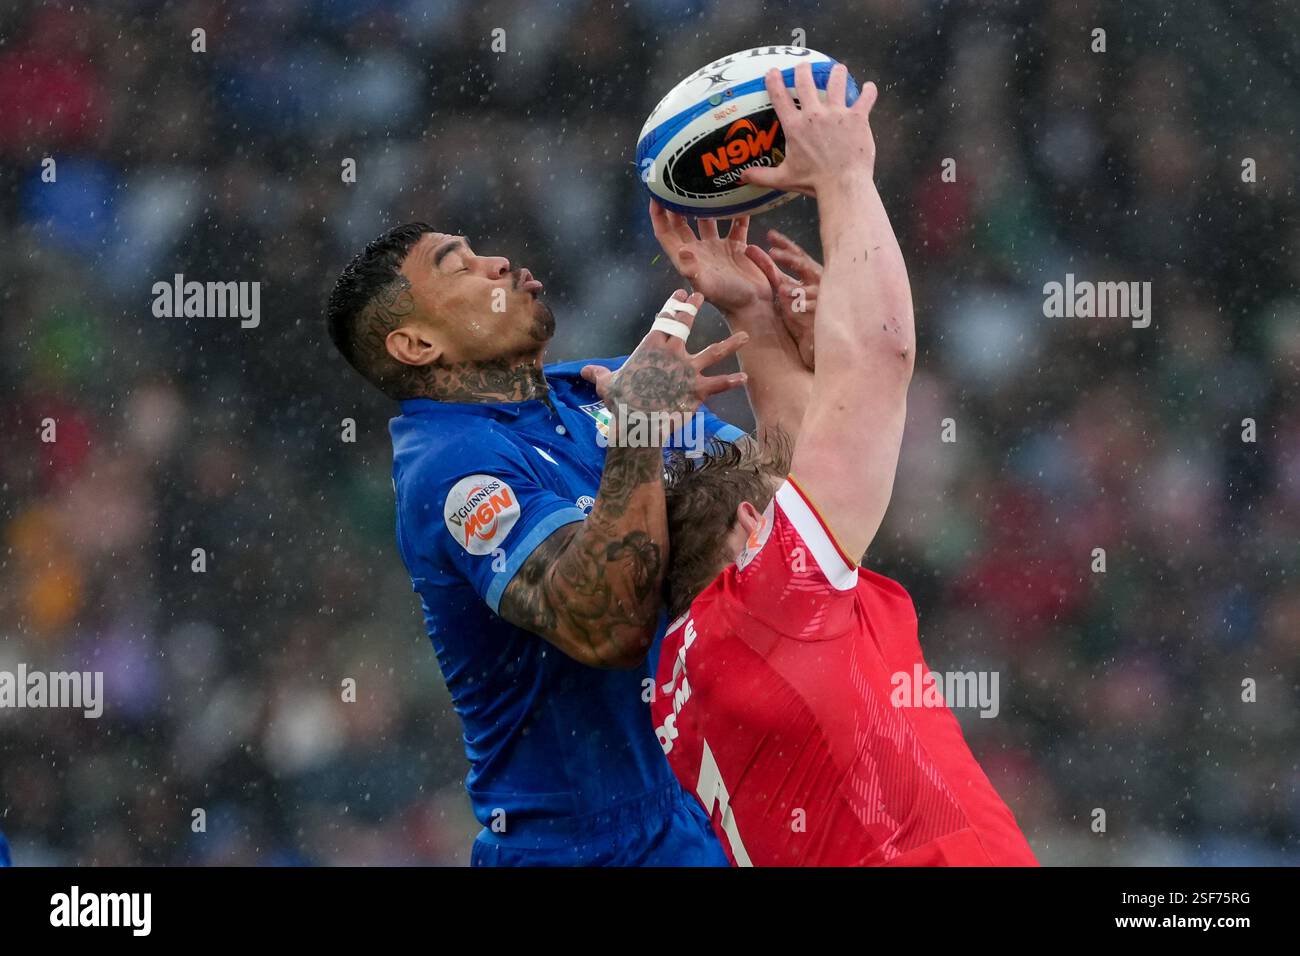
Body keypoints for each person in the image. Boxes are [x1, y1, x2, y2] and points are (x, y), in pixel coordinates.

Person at [324, 209, 810, 864]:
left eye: (479, 248)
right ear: (416, 345)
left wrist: (757, 317)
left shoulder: (595, 389)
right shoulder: (450, 467)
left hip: (700, 812)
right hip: (580, 850)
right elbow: (604, 627)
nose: (495, 262)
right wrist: (639, 434)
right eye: (458, 266)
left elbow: (788, 504)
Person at [648, 64, 1038, 866]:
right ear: (750, 538)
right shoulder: (771, 602)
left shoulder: (678, 687)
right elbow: (882, 359)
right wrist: (844, 176)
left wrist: (754, 313)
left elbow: (803, 453)